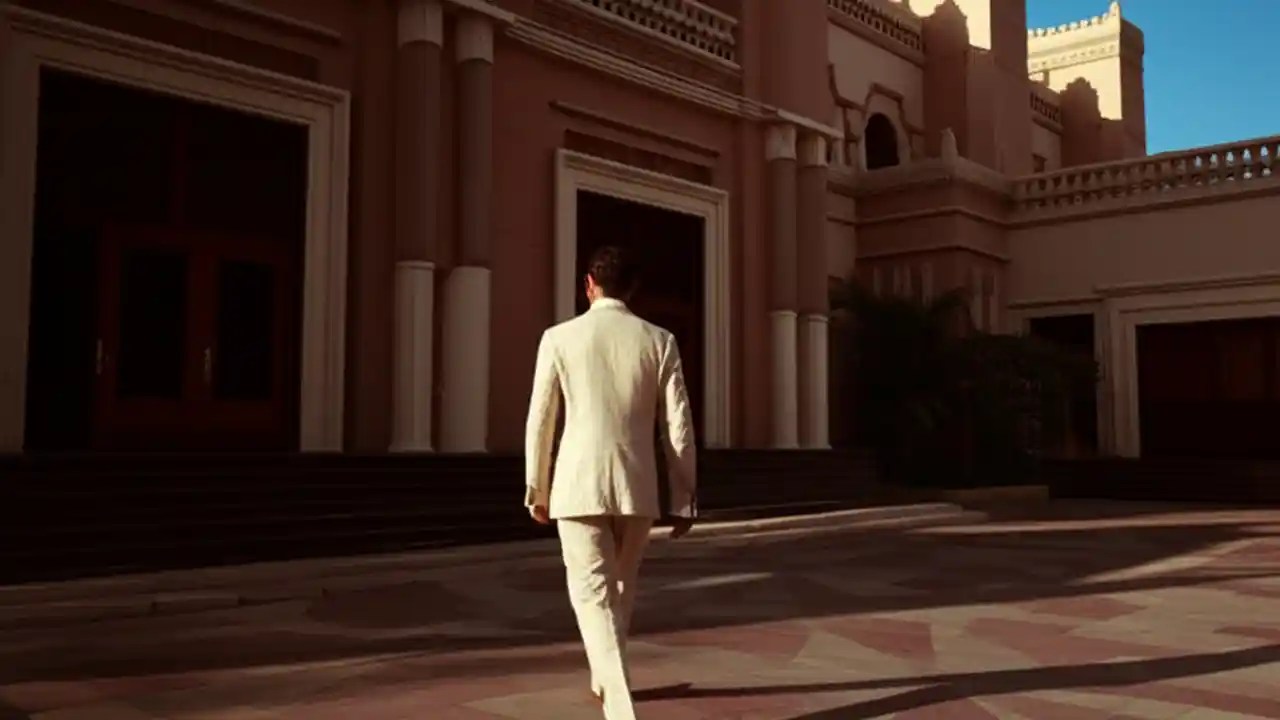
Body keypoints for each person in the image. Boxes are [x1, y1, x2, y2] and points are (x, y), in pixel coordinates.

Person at [524, 244, 697, 720]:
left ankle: (620, 709)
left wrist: (535, 487)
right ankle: (607, 678)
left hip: (577, 484)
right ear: (633, 289)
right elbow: (678, 425)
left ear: (588, 284)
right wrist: (683, 497)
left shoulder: (558, 338)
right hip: (636, 487)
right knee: (618, 591)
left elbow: (541, 420)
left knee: (593, 594)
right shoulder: (658, 340)